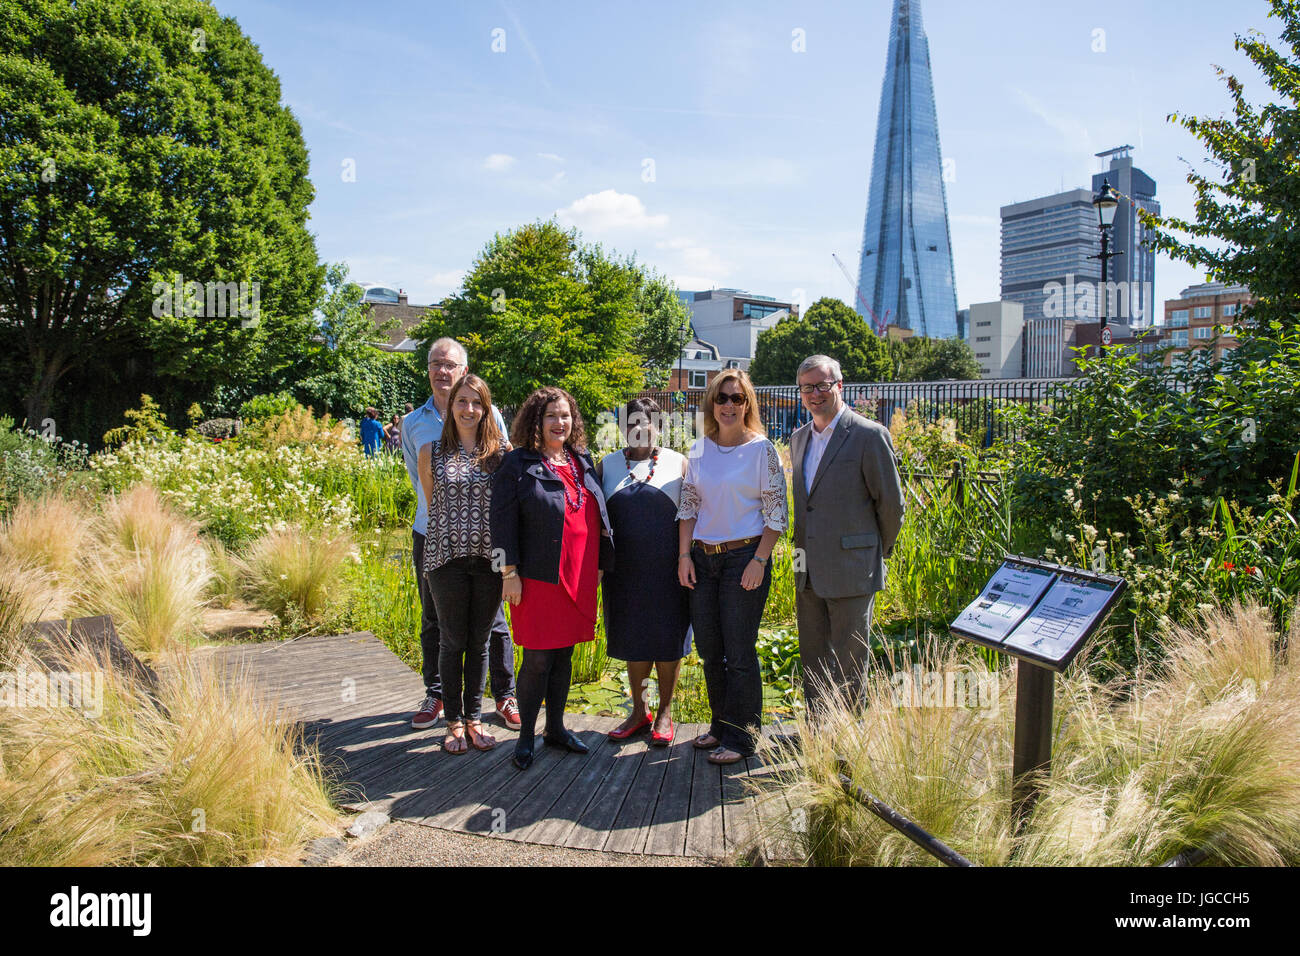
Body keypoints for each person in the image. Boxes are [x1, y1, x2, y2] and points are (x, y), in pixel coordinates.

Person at [491, 386, 614, 771]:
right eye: (551, 416)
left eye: (565, 416)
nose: (560, 423)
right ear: (536, 421)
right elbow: (501, 520)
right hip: (539, 577)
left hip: (579, 575)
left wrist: (599, 565)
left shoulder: (581, 460)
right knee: (538, 659)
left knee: (564, 655)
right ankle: (527, 734)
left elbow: (597, 514)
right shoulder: (518, 464)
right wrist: (508, 572)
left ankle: (556, 729)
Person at [402, 338, 520, 732]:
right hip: (435, 539)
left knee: (492, 626)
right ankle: (437, 698)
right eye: (435, 363)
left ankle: (502, 697)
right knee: (436, 622)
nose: (442, 370)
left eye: (449, 364)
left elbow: (505, 485)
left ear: (463, 370)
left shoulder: (493, 428)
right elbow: (427, 492)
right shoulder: (415, 426)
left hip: (489, 550)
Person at [677, 369, 787, 765]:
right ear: (711, 404)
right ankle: (720, 726)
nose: (727, 405)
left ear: (747, 405)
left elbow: (777, 515)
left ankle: (743, 739)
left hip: (745, 558)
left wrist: (760, 559)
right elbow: (689, 506)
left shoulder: (762, 450)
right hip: (704, 560)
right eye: (721, 398)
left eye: (736, 398)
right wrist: (684, 555)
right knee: (709, 650)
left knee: (739, 652)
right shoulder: (699, 450)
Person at [790, 355, 905, 710]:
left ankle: (847, 749)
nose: (815, 394)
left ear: (839, 386)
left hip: (853, 569)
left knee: (850, 664)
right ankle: (817, 738)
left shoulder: (869, 436)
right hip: (805, 567)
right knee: (813, 660)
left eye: (823, 385)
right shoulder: (798, 439)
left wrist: (870, 554)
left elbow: (892, 507)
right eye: (807, 387)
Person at [419, 374, 505, 754]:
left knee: (481, 640)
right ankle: (452, 720)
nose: (468, 409)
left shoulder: (501, 454)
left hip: (490, 560)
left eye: (476, 403)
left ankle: (475, 718)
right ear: (450, 406)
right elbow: (433, 505)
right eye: (462, 401)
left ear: (486, 409)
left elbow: (507, 510)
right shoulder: (430, 452)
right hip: (445, 559)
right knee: (452, 640)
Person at [596, 398, 690, 746]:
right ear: (622, 428)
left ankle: (664, 712)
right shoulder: (606, 466)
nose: (639, 429)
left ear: (659, 427)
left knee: (667, 642)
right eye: (632, 422)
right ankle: (639, 711)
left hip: (669, 570)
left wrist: (687, 557)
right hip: (624, 572)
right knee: (634, 641)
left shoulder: (678, 463)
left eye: (647, 422)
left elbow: (693, 514)